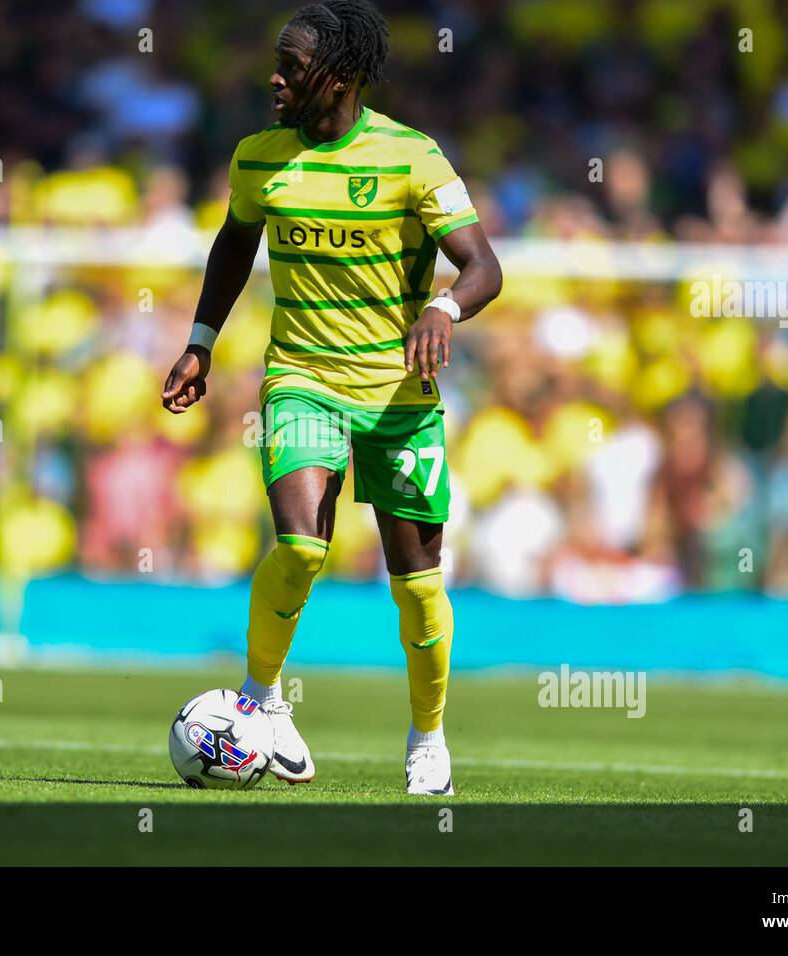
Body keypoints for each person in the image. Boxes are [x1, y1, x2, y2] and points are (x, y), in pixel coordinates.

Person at [160, 0, 502, 794]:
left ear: (340, 77)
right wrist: (200, 342)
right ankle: (264, 701)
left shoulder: (411, 157)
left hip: (397, 394)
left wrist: (442, 309)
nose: (273, 77)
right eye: (274, 61)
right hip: (301, 378)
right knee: (302, 546)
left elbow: (483, 266)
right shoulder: (258, 159)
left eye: (292, 64)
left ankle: (427, 739)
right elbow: (234, 243)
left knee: (417, 582)